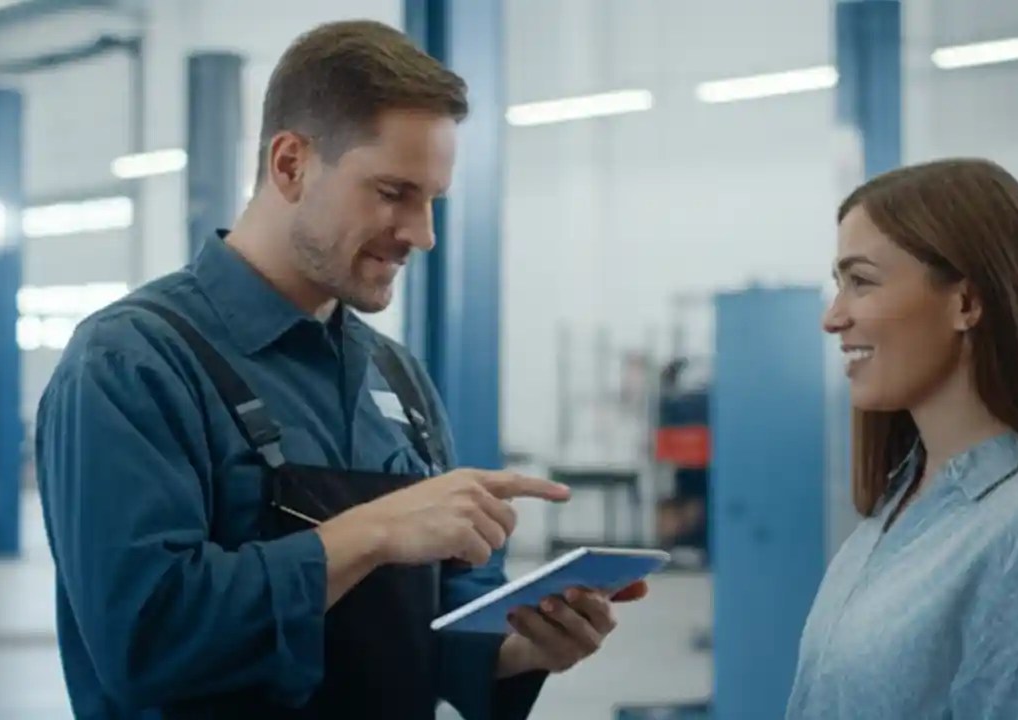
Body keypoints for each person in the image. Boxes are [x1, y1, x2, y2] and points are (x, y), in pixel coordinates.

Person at [35, 19, 645, 720]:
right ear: (290, 164)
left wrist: (521, 648)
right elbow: (147, 642)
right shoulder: (132, 365)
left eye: (432, 200)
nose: (422, 234)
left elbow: (441, 626)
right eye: (393, 192)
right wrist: (369, 533)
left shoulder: (399, 381)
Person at [787, 158, 1018, 718]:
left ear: (966, 303)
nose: (833, 318)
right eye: (838, 285)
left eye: (861, 282)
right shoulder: (899, 502)